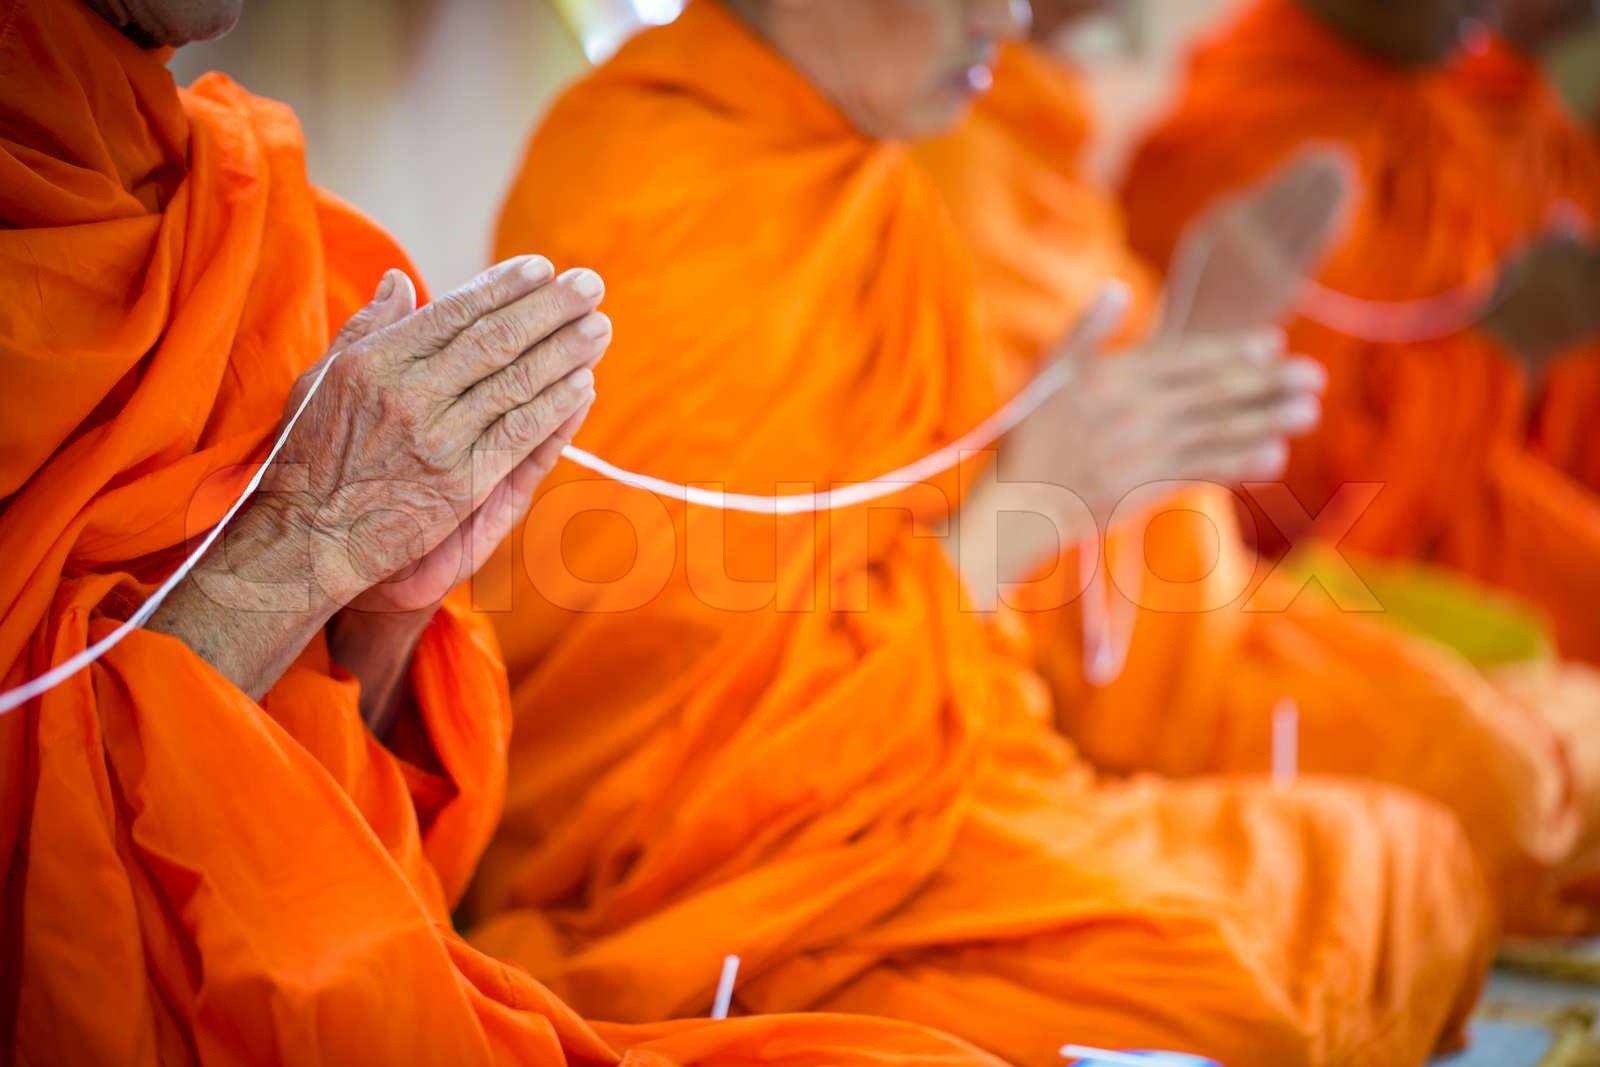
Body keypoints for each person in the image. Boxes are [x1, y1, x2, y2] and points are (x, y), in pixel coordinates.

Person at [467, 2, 1542, 1063]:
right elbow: (678, 746)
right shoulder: (662, 188)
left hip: (926, 775)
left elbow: (983, 615)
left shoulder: (873, 172)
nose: (1007, 13)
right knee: (1278, 965)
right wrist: (1031, 506)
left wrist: (1173, 383)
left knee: (1422, 854)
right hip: (723, 877)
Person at [0, 1, 1020, 1064]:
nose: (1012, 14)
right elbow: (680, 778)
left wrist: (385, 616)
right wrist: (304, 542)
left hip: (370, 932)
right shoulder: (661, 182)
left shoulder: (238, 193)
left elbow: (341, 752)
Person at [1120, 0, 1600, 663]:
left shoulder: (1422, 115)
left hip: (1432, 524)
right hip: (1263, 590)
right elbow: (1279, 511)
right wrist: (1499, 343)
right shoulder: (1253, 148)